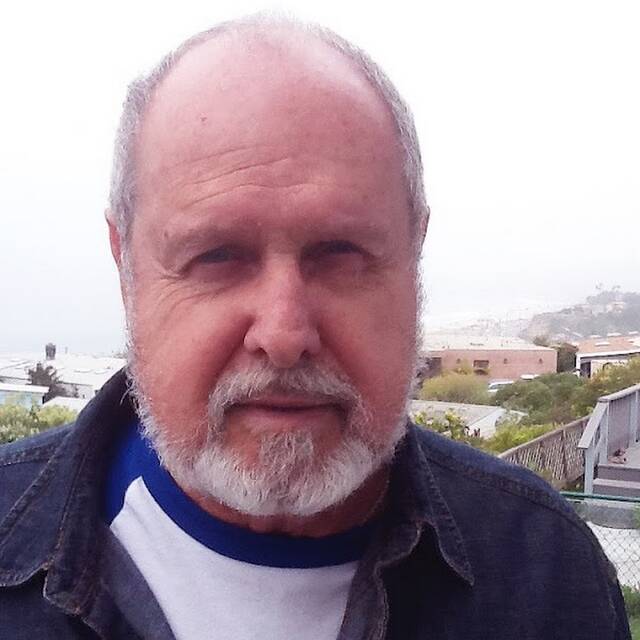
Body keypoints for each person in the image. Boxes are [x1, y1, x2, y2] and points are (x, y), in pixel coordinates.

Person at [0, 15, 630, 640]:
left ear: (414, 254)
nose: (283, 334)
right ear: (126, 266)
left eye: (340, 253)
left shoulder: (546, 574)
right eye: (217, 256)